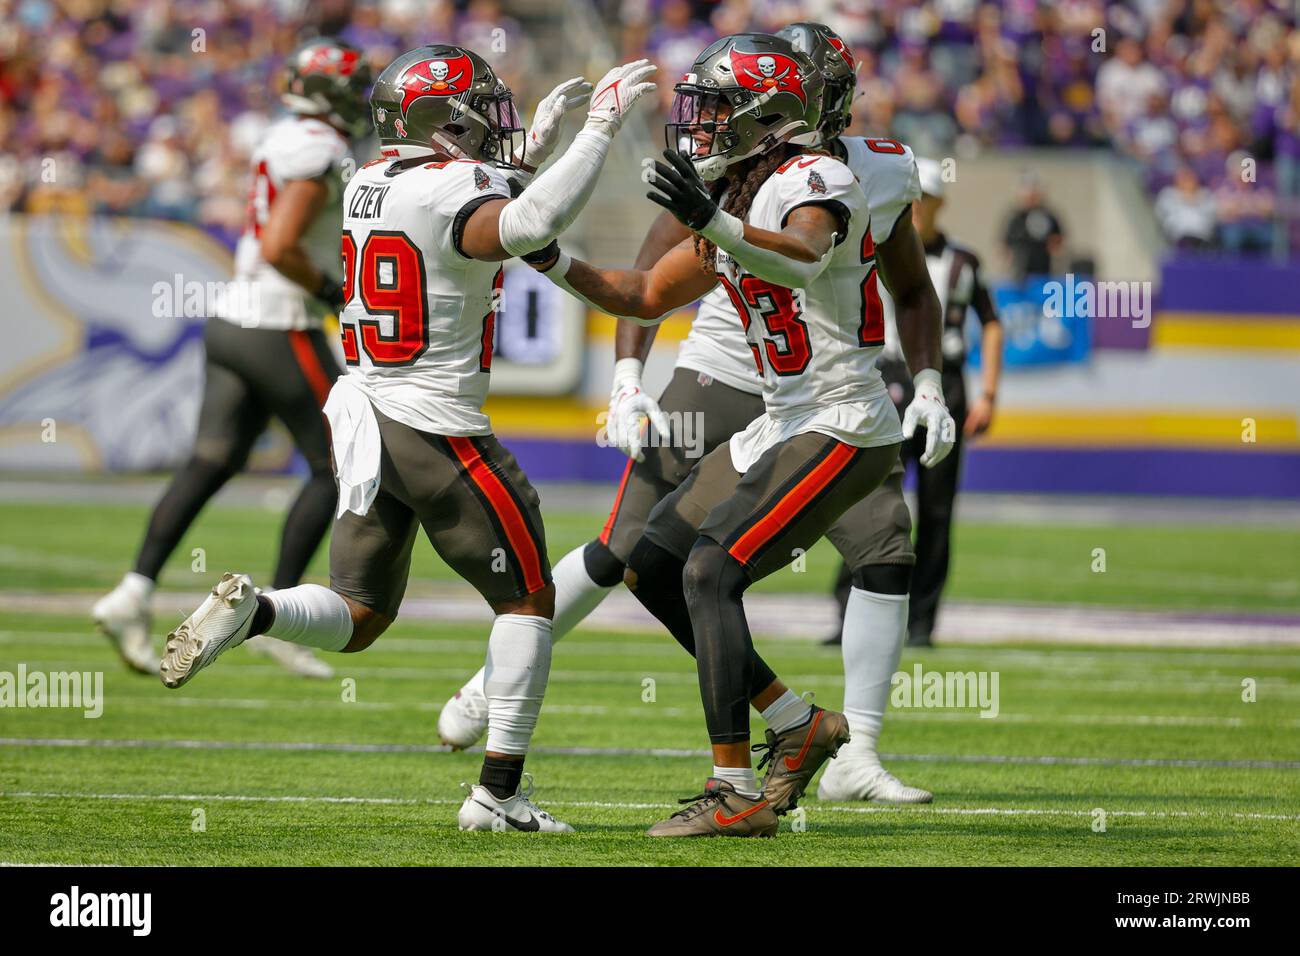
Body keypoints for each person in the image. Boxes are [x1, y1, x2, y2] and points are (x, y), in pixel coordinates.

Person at [437, 22, 945, 805]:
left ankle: (847, 754)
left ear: (789, 107)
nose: (706, 120)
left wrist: (932, 380)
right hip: (732, 369)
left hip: (831, 396)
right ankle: (494, 684)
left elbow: (847, 269)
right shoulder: (730, 172)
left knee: (873, 551)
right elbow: (642, 285)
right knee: (637, 552)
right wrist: (620, 363)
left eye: (728, 104)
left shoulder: (855, 178)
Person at [156, 45, 657, 834]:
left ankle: (256, 614)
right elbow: (524, 222)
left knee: (359, 615)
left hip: (364, 418)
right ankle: (497, 795)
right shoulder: (457, 187)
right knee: (529, 601)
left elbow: (481, 202)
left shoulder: (367, 180)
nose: (495, 125)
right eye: (479, 112)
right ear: (441, 123)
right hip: (439, 430)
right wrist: (597, 130)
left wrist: (537, 152)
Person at [92, 38, 373, 680]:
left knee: (213, 459)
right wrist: (336, 291)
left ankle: (133, 591)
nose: (359, 102)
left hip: (233, 318)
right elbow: (280, 245)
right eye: (352, 90)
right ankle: (276, 614)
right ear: (329, 93)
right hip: (279, 322)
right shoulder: (319, 149)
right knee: (338, 464)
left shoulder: (282, 136)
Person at [828, 157, 1003, 648]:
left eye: (925, 200)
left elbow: (992, 323)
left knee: (937, 508)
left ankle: (922, 622)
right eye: (912, 199)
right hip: (887, 378)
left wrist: (988, 393)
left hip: (944, 382)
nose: (917, 208)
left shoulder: (964, 262)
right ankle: (848, 612)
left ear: (939, 203)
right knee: (868, 497)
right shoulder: (874, 243)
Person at [1001, 170, 1064, 281]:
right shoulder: (1016, 217)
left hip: (1044, 272)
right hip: (1019, 275)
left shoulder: (1048, 215)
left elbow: (1058, 240)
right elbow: (1004, 243)